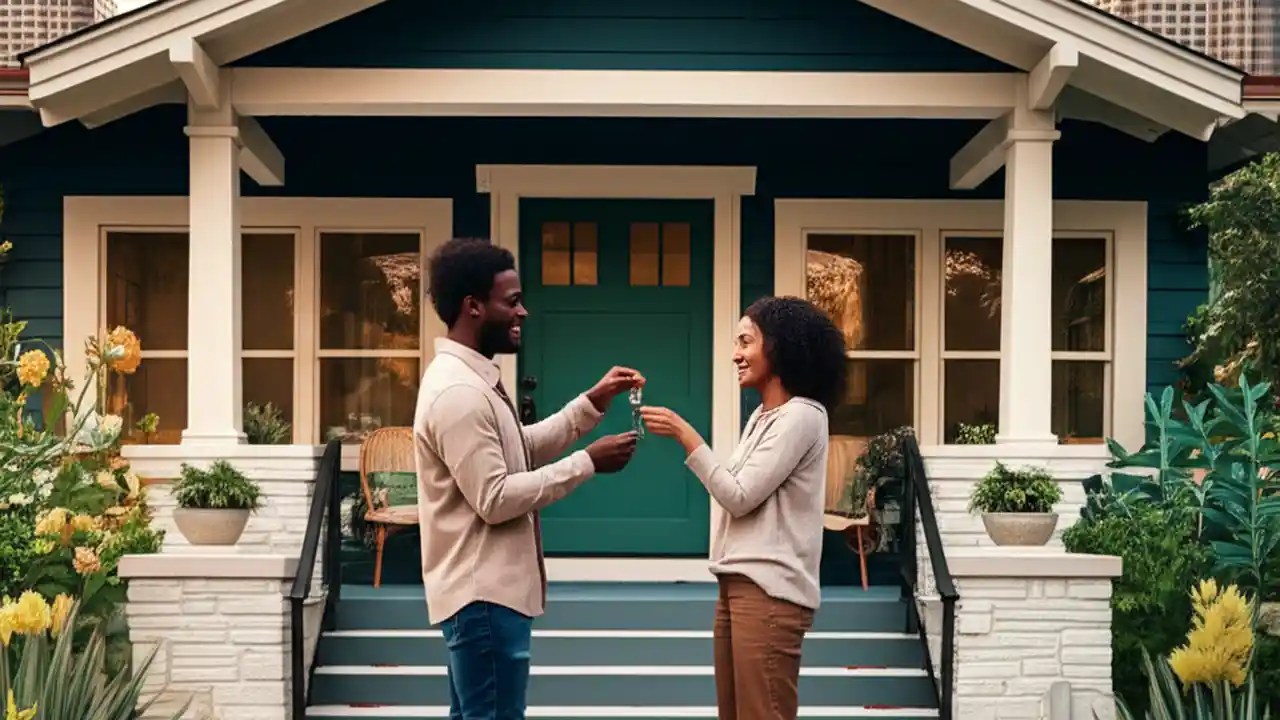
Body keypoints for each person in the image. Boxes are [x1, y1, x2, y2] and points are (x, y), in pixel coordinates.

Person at [414, 237, 643, 720]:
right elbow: (494, 497)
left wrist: (591, 403)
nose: (524, 313)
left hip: (487, 599)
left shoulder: (472, 380)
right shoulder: (457, 392)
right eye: (512, 301)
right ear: (473, 307)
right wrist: (588, 463)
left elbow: (516, 448)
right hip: (483, 601)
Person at [640, 295, 847, 720]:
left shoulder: (802, 417)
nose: (736, 353)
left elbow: (738, 496)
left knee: (761, 713)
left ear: (780, 346)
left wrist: (686, 436)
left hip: (770, 589)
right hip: (738, 580)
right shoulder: (763, 418)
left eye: (746, 341)